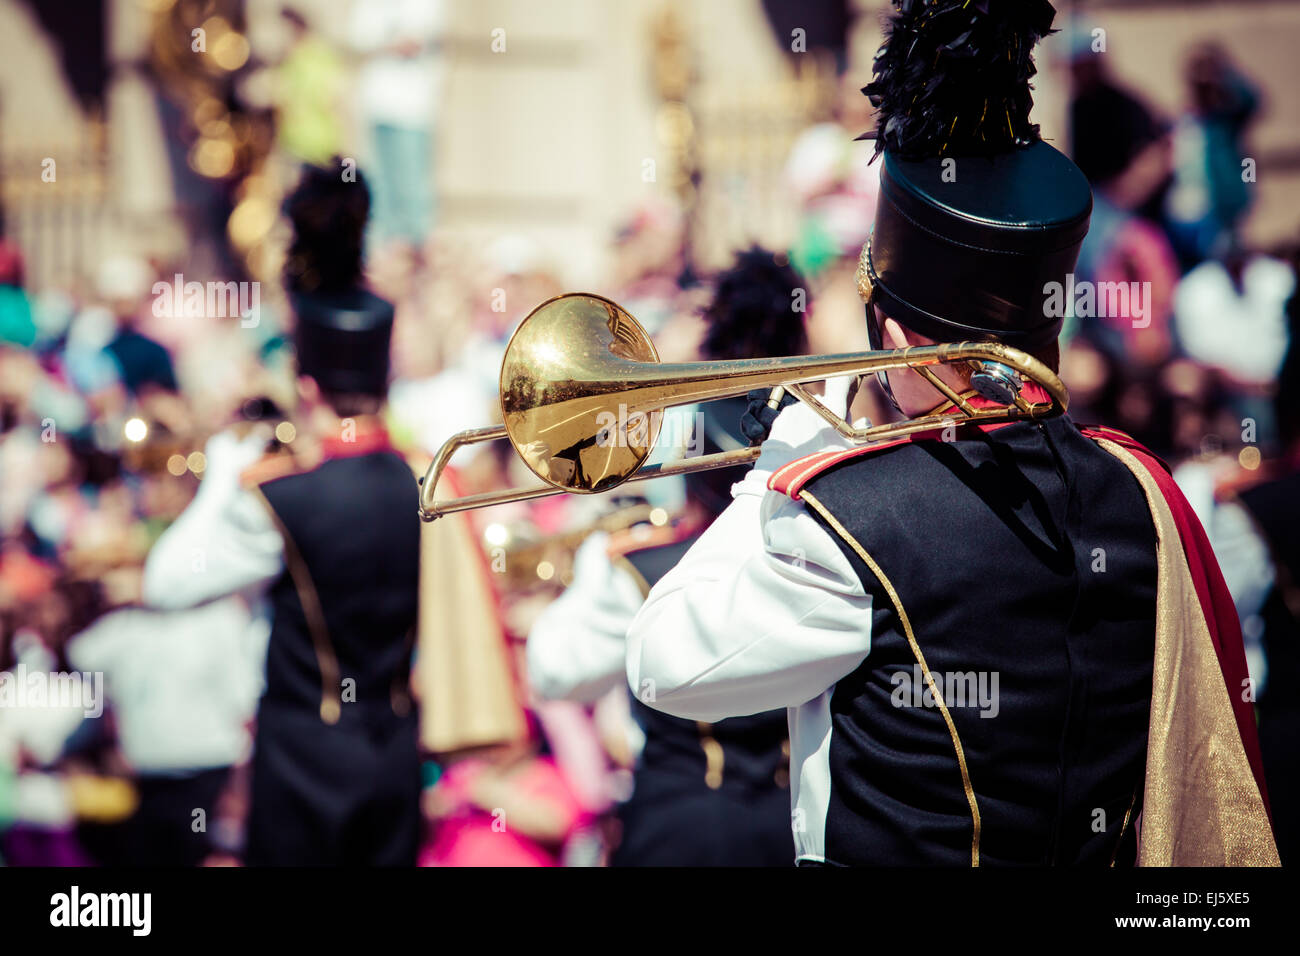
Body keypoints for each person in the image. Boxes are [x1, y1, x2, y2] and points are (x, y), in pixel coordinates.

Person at [626, 0, 1278, 867]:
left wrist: (786, 454)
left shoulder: (847, 524)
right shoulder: (1142, 495)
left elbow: (665, 662)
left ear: (894, 336)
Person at [141, 163, 422, 865]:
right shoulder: (417, 481)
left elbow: (166, 582)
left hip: (303, 765)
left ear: (304, 382)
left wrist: (228, 472)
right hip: (393, 755)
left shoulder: (278, 498)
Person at [528, 248, 805, 866]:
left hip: (677, 832)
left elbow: (551, 670)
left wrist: (585, 569)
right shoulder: (825, 554)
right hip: (794, 834)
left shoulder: (638, 560)